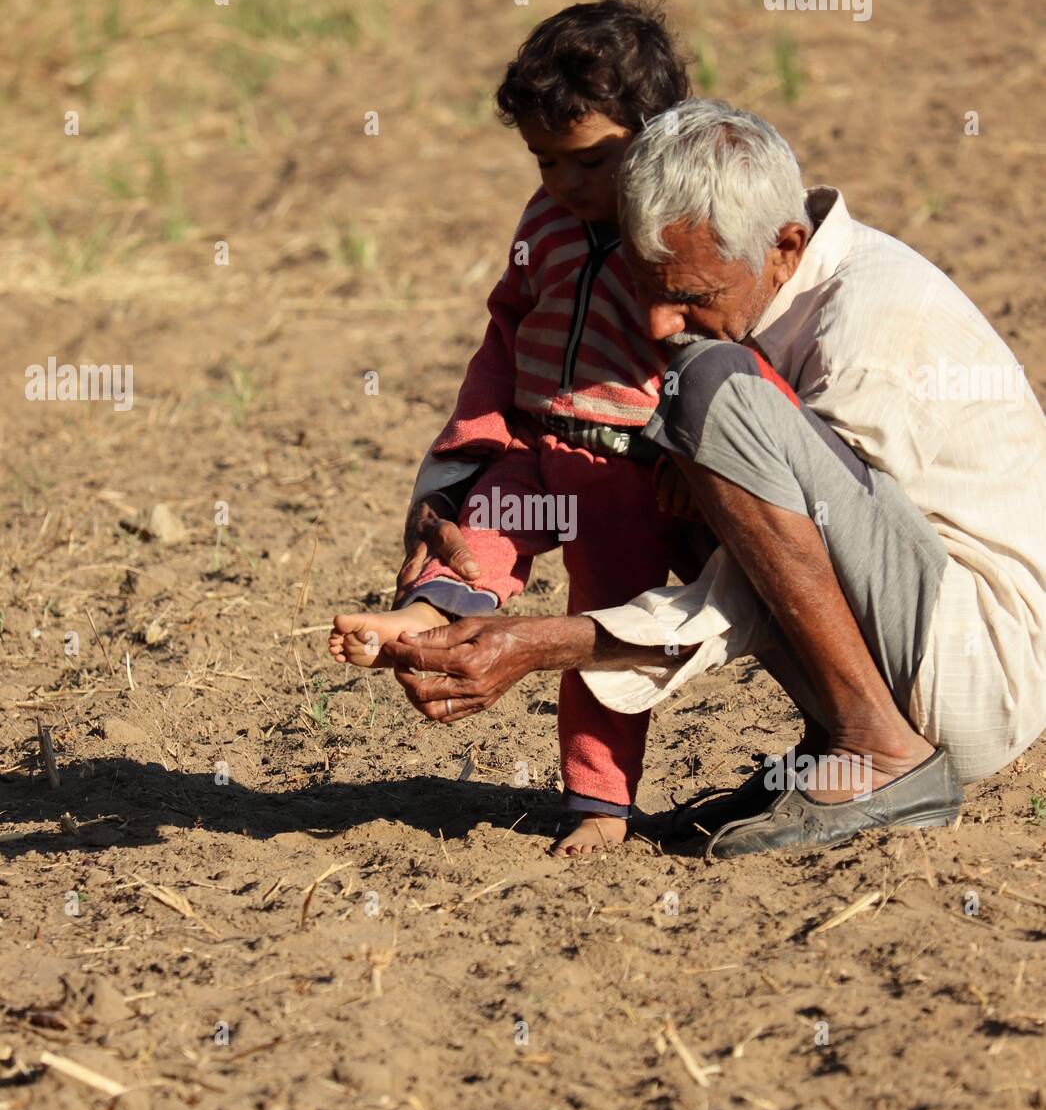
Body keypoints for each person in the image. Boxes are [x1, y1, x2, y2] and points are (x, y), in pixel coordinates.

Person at [382, 97, 1046, 859]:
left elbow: (776, 580)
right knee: (670, 441)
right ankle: (834, 743)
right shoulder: (774, 284)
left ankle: (878, 751)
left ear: (786, 246)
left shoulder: (870, 326)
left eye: (690, 296)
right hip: (918, 639)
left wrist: (542, 644)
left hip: (972, 669)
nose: (661, 324)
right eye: (647, 288)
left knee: (705, 389)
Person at [330, 0, 696, 855]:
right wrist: (466, 453)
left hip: (624, 472)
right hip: (536, 450)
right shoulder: (545, 226)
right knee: (471, 537)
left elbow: (713, 354)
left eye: (589, 163)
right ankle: (421, 625)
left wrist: (689, 452)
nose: (563, 185)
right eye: (543, 163)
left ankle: (600, 803)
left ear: (656, 139)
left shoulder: (680, 240)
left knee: (604, 640)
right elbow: (505, 336)